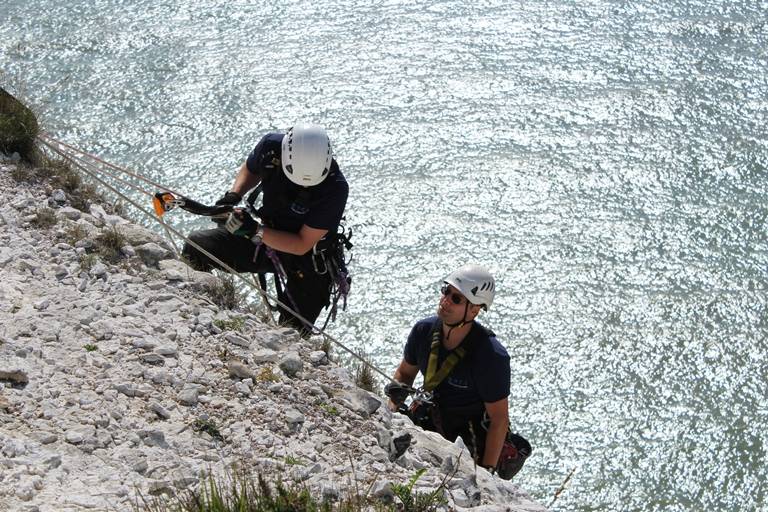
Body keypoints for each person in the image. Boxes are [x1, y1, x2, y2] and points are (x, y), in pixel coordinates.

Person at [182, 124, 349, 335]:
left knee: (292, 332)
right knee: (198, 246)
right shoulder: (271, 148)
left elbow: (301, 244)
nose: (304, 186)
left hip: (309, 260)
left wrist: (254, 230)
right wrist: (234, 195)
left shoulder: (335, 188)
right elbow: (251, 169)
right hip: (265, 237)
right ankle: (197, 312)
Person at [386, 265, 512, 471]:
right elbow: (405, 373)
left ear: (475, 310)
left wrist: (487, 471)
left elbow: (499, 420)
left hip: (466, 444)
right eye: (446, 291)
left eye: (456, 298)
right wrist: (391, 409)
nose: (445, 300)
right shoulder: (423, 331)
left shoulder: (490, 356)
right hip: (427, 424)